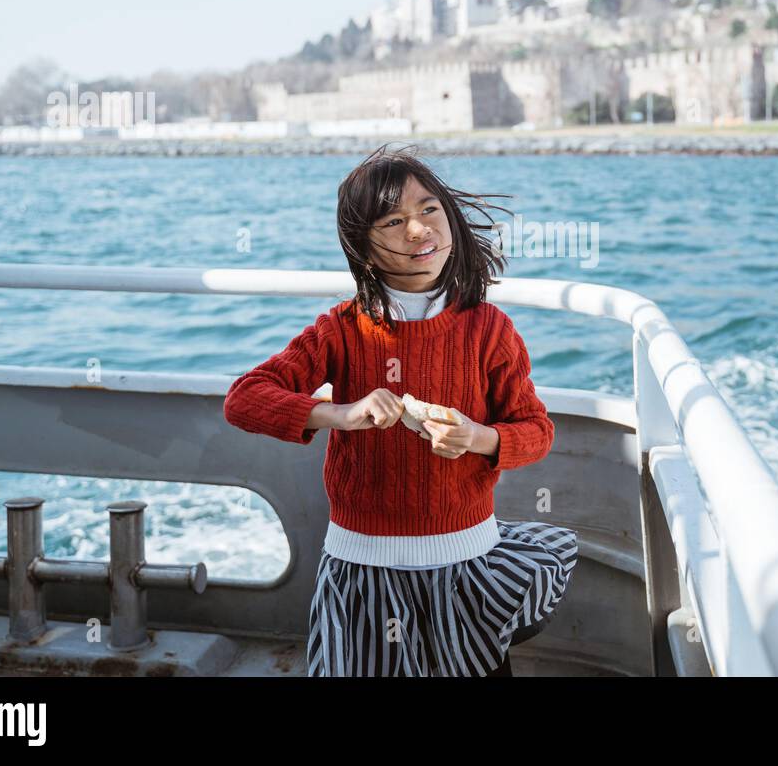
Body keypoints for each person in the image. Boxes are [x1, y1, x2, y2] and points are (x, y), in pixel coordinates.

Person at [223, 143, 577, 676]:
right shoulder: (339, 330)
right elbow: (244, 398)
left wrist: (478, 437)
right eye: (393, 220)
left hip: (468, 562)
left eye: (429, 210)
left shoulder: (489, 329)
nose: (418, 230)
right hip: (362, 564)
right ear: (363, 247)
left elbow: (536, 430)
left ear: (450, 218)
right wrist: (337, 414)